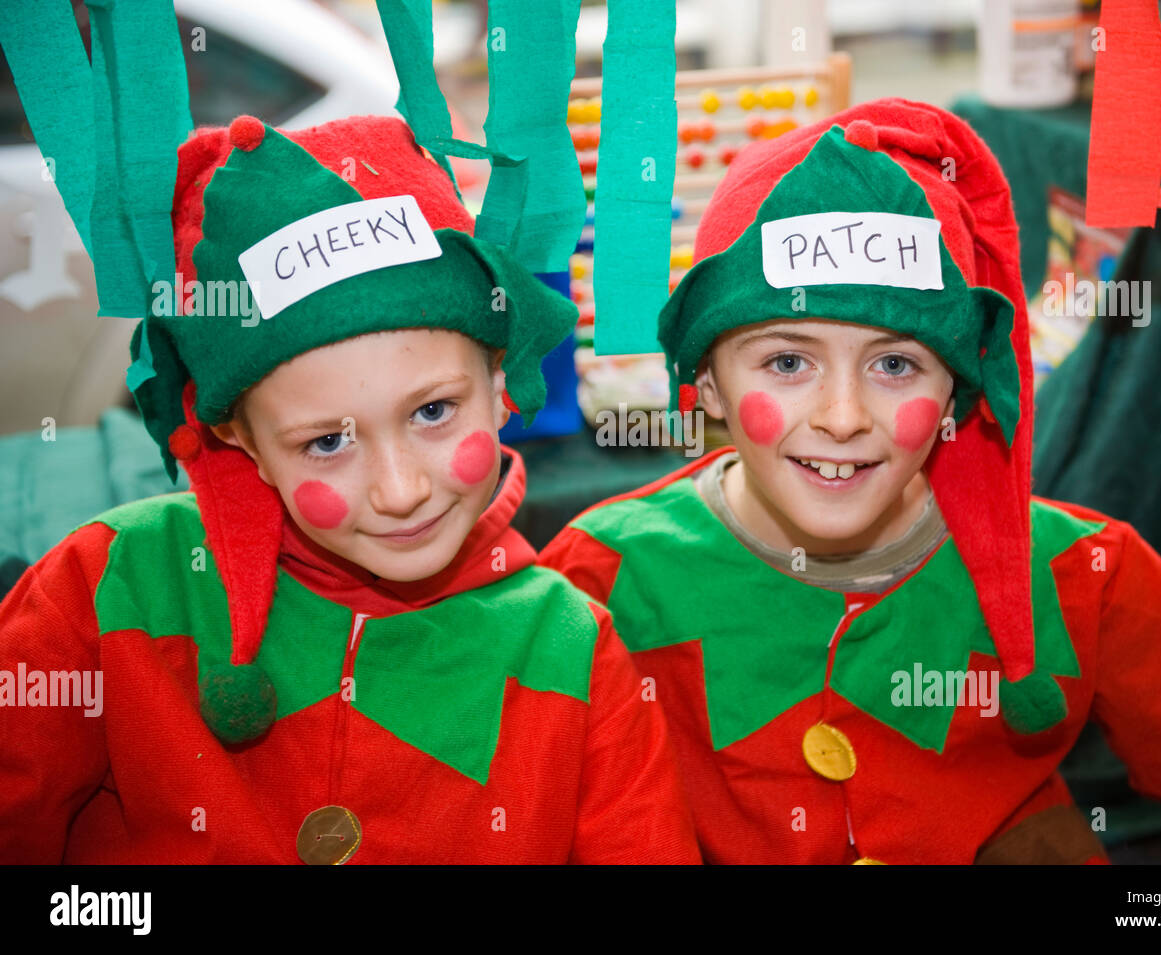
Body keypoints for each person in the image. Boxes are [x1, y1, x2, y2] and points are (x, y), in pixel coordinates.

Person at [539, 99, 1161, 864]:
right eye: (788, 362)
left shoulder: (1087, 575)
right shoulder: (598, 579)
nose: (843, 417)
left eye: (895, 365)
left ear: (956, 390)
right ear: (706, 383)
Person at [0, 114, 699, 864]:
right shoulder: (102, 590)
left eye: (433, 412)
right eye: (326, 442)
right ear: (241, 437)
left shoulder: (573, 652)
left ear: (500, 385)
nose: (399, 492)